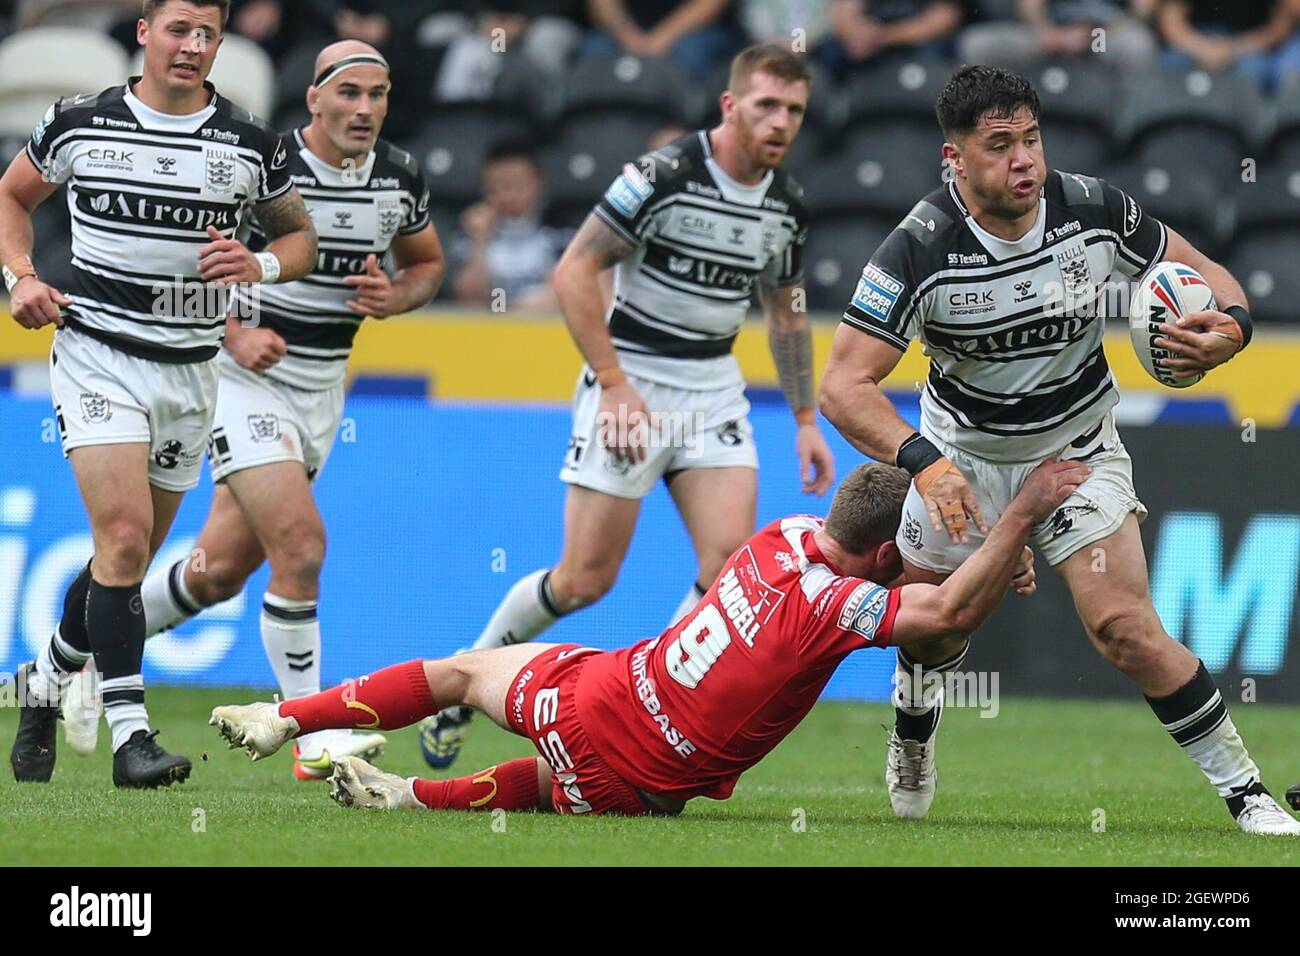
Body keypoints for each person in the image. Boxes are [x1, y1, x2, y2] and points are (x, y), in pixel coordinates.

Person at [818, 64, 1299, 835]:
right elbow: (843, 384)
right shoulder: (919, 247)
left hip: (1077, 450)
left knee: (1123, 626)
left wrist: (1233, 327)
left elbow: (1203, 270)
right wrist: (924, 462)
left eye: (1033, 139)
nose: (1025, 161)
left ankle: (1246, 792)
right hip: (960, 462)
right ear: (955, 160)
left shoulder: (1092, 209)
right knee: (938, 631)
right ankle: (914, 729)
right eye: (1000, 144)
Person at [210, 459, 1082, 816]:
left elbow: (901, 584)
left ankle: (289, 716)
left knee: (460, 671)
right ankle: (409, 798)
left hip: (602, 690)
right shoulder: (834, 608)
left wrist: (972, 560)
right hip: (637, 777)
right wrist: (1022, 523)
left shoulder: (782, 534)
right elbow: (942, 618)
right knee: (563, 789)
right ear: (891, 554)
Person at [418, 44, 836, 770]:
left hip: (712, 391)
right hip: (633, 381)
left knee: (728, 565)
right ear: (731, 106)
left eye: (794, 110)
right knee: (584, 580)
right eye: (767, 105)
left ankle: (650, 717)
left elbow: (789, 314)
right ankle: (464, 679)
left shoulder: (786, 206)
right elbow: (576, 268)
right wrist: (612, 381)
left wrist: (804, 420)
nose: (782, 122)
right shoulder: (662, 176)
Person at [64, 41, 446, 781]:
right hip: (238, 383)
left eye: (378, 95)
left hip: (322, 388)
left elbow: (427, 262)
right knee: (301, 547)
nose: (364, 109)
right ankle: (311, 734)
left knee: (217, 574)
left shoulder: (400, 177)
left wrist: (397, 296)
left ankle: (82, 662)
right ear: (315, 100)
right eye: (349, 94)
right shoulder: (267, 165)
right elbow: (186, 257)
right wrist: (235, 332)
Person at [3, 0, 317, 787]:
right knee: (121, 536)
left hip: (191, 370)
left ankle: (41, 683)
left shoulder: (250, 143)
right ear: (144, 33)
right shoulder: (79, 122)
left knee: (129, 558)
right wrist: (21, 278)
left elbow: (298, 238)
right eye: (178, 29)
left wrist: (262, 269)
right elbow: (10, 197)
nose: (192, 46)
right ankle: (131, 740)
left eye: (207, 34)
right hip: (97, 356)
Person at [450, 141, 569, 312]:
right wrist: (479, 242)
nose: (508, 197)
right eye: (495, 188)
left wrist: (505, 309)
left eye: (517, 186)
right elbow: (468, 299)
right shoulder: (467, 239)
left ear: (539, 183)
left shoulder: (561, 237)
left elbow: (564, 294)